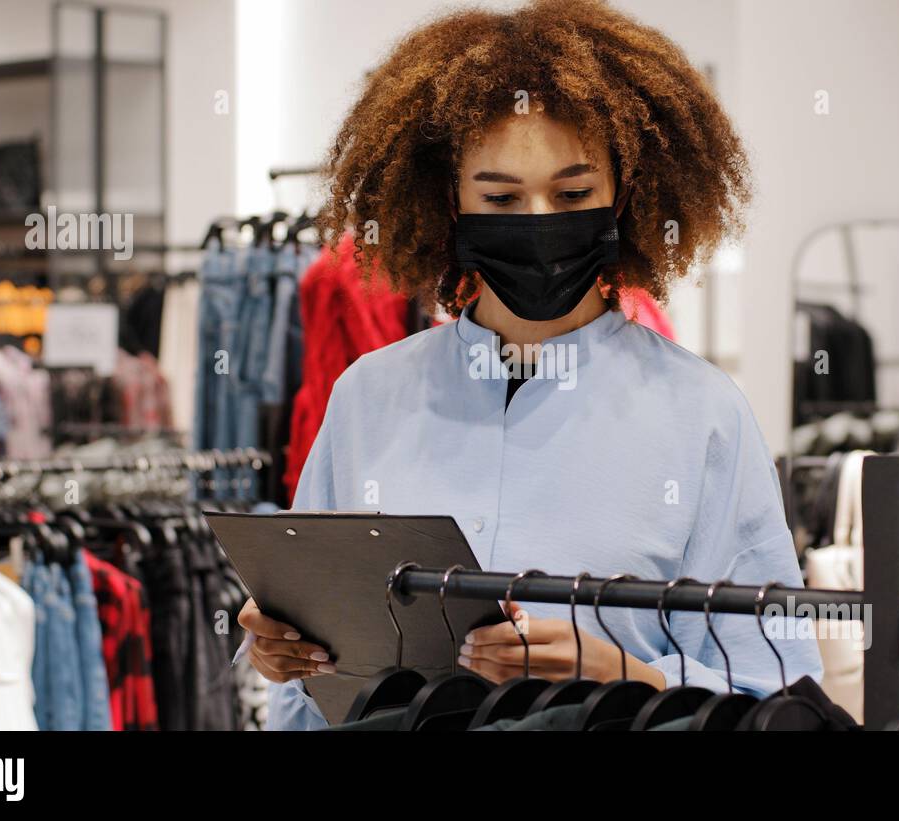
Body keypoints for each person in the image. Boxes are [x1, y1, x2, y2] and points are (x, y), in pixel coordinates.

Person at [237, 0, 822, 730]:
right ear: (446, 202)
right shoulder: (368, 398)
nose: (539, 221)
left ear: (626, 196)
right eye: (501, 197)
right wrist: (279, 649)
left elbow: (782, 690)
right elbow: (306, 691)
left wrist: (625, 675)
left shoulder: (702, 414)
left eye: (573, 194)